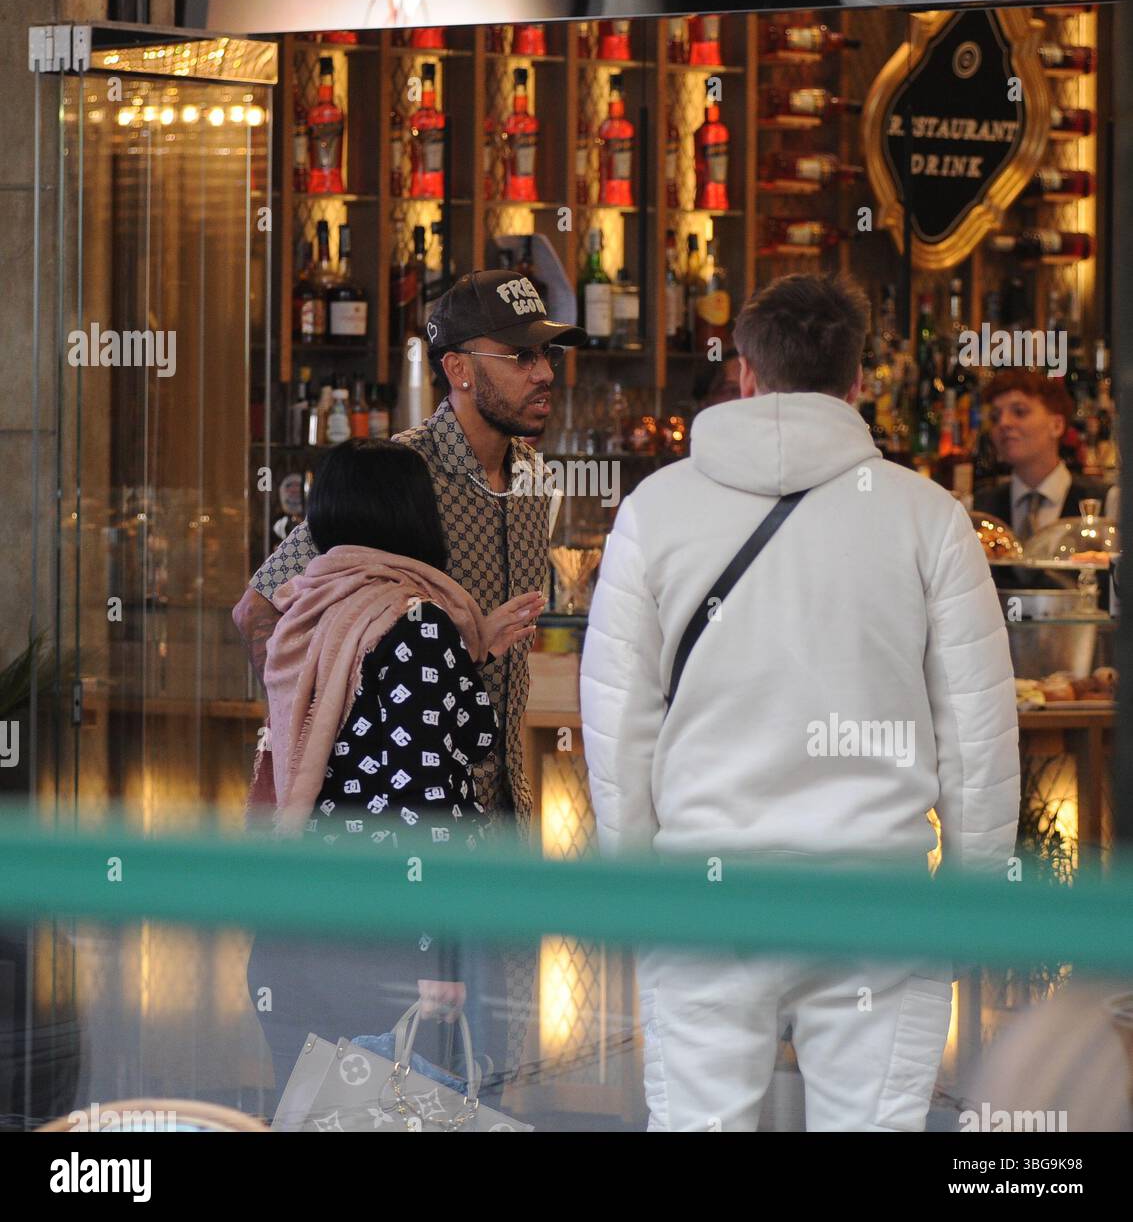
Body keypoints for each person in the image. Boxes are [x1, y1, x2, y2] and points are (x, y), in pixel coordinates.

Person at [579, 271, 1020, 1132]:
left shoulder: (653, 510)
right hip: (875, 897)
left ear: (744, 372)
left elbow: (619, 722)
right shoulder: (927, 516)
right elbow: (977, 731)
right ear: (858, 383)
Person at [234, 267, 585, 1078]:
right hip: (393, 829)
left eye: (548, 356)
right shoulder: (395, 473)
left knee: (487, 1063)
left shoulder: (535, 481)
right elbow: (260, 608)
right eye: (521, 356)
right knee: (389, 1064)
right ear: (457, 368)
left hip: (497, 814)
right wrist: (312, 737)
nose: (544, 374)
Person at [247, 439, 538, 1108]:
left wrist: (466, 654)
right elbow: (424, 799)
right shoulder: (417, 626)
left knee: (316, 1117)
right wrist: (436, 960)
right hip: (386, 940)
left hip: (297, 927)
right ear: (414, 515)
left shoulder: (314, 609)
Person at [974, 370, 1101, 539]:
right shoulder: (977, 507)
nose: (1003, 423)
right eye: (995, 417)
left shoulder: (1107, 501)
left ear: (1056, 425)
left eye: (1019, 412)